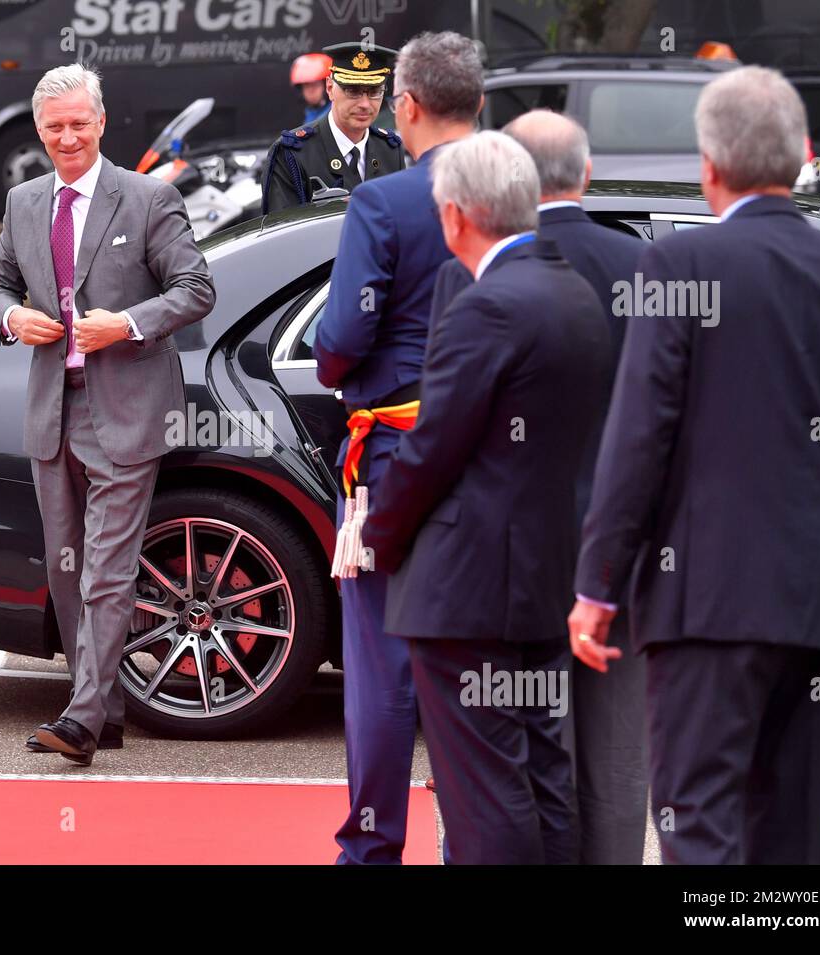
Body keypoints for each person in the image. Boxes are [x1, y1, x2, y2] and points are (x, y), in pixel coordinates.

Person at [568, 66, 820, 865]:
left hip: (704, 599)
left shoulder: (679, 269)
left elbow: (639, 439)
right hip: (815, 598)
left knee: (699, 823)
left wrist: (598, 583)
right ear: (805, 155)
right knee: (791, 835)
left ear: (708, 165)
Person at [361, 131, 610, 864]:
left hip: (470, 585)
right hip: (542, 571)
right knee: (541, 773)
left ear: (458, 215)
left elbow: (433, 445)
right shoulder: (573, 290)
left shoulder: (488, 304)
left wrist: (380, 534)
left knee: (485, 789)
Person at [0, 64, 215, 767]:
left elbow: (196, 287)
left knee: (108, 568)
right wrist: (13, 316)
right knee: (67, 568)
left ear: (102, 123)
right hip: (53, 410)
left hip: (129, 409)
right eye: (54, 127)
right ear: (40, 130)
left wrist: (130, 326)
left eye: (79, 123)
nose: (68, 137)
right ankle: (107, 710)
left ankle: (81, 718)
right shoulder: (24, 201)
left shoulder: (147, 197)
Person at [312, 31, 481, 865]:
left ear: (404, 106)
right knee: (478, 664)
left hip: (395, 454)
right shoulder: (515, 193)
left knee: (383, 666)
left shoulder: (383, 202)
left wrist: (346, 369)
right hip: (497, 456)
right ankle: (476, 839)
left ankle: (373, 849)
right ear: (480, 106)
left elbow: (339, 338)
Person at [503, 108, 648, 865]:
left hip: (519, 545)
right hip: (624, 545)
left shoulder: (491, 267)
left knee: (527, 747)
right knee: (620, 753)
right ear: (586, 176)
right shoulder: (646, 268)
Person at [262, 42, 405, 214]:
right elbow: (283, 235)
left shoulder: (390, 149)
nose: (365, 104)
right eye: (353, 91)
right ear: (330, 88)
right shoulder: (292, 155)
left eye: (375, 91)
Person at [290, 52, 331, 125]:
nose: (310, 91)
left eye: (315, 85)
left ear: (327, 85)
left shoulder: (333, 115)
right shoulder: (310, 113)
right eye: (306, 86)